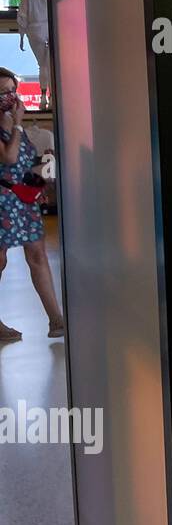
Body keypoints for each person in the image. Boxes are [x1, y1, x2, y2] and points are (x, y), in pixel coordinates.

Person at [0, 65, 63, 339]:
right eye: (3, 92)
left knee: (37, 256)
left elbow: (23, 164)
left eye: (12, 91)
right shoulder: (14, 126)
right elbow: (9, 158)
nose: (10, 97)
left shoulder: (18, 126)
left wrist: (39, 183)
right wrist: (16, 123)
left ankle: (56, 319)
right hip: (2, 201)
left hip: (23, 201)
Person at [17, 0, 50, 110]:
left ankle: (43, 97)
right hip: (49, 29)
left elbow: (22, 19)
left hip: (34, 32)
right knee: (50, 64)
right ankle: (52, 97)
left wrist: (22, 37)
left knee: (42, 65)